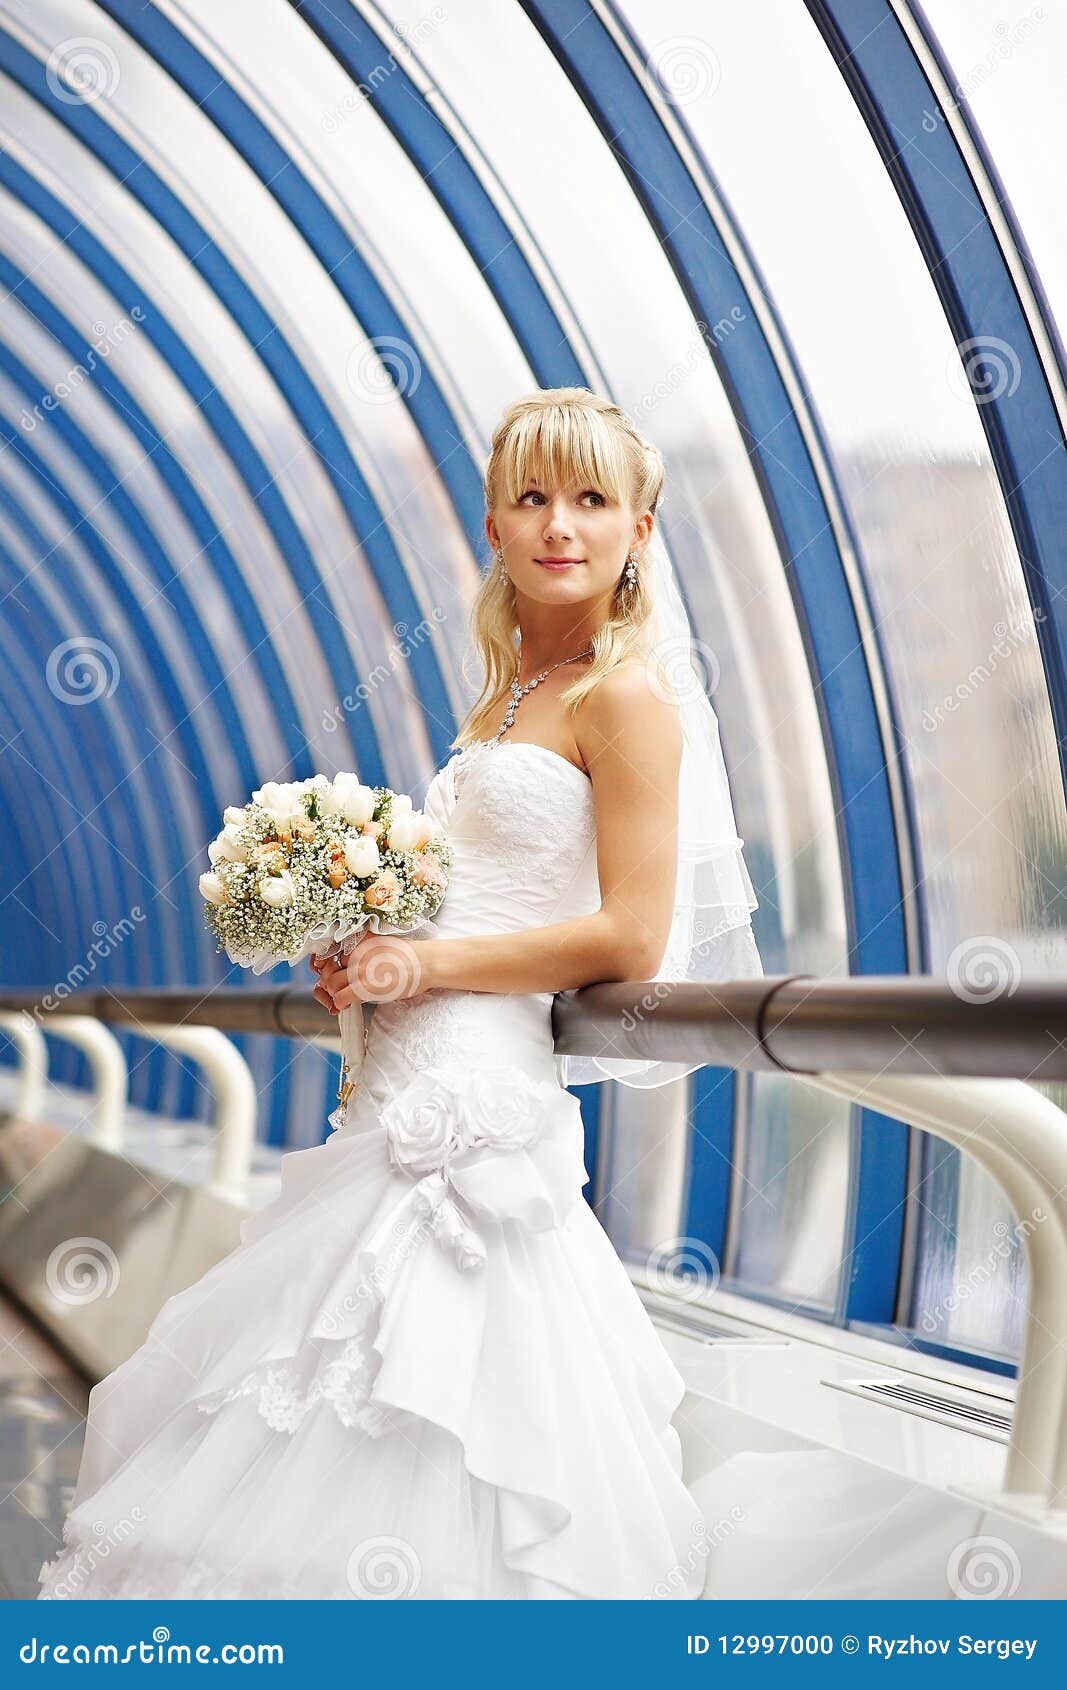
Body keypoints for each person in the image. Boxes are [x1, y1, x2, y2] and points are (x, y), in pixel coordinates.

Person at [37, 387, 761, 1601]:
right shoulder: (508, 697)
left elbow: (630, 938)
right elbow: (493, 889)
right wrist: (369, 943)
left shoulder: (620, 696)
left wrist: (426, 963)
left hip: (479, 1092)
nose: (559, 525)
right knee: (323, 1367)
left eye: (591, 499)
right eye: (531, 497)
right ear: (491, 524)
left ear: (641, 533)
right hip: (403, 1067)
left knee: (422, 1375)